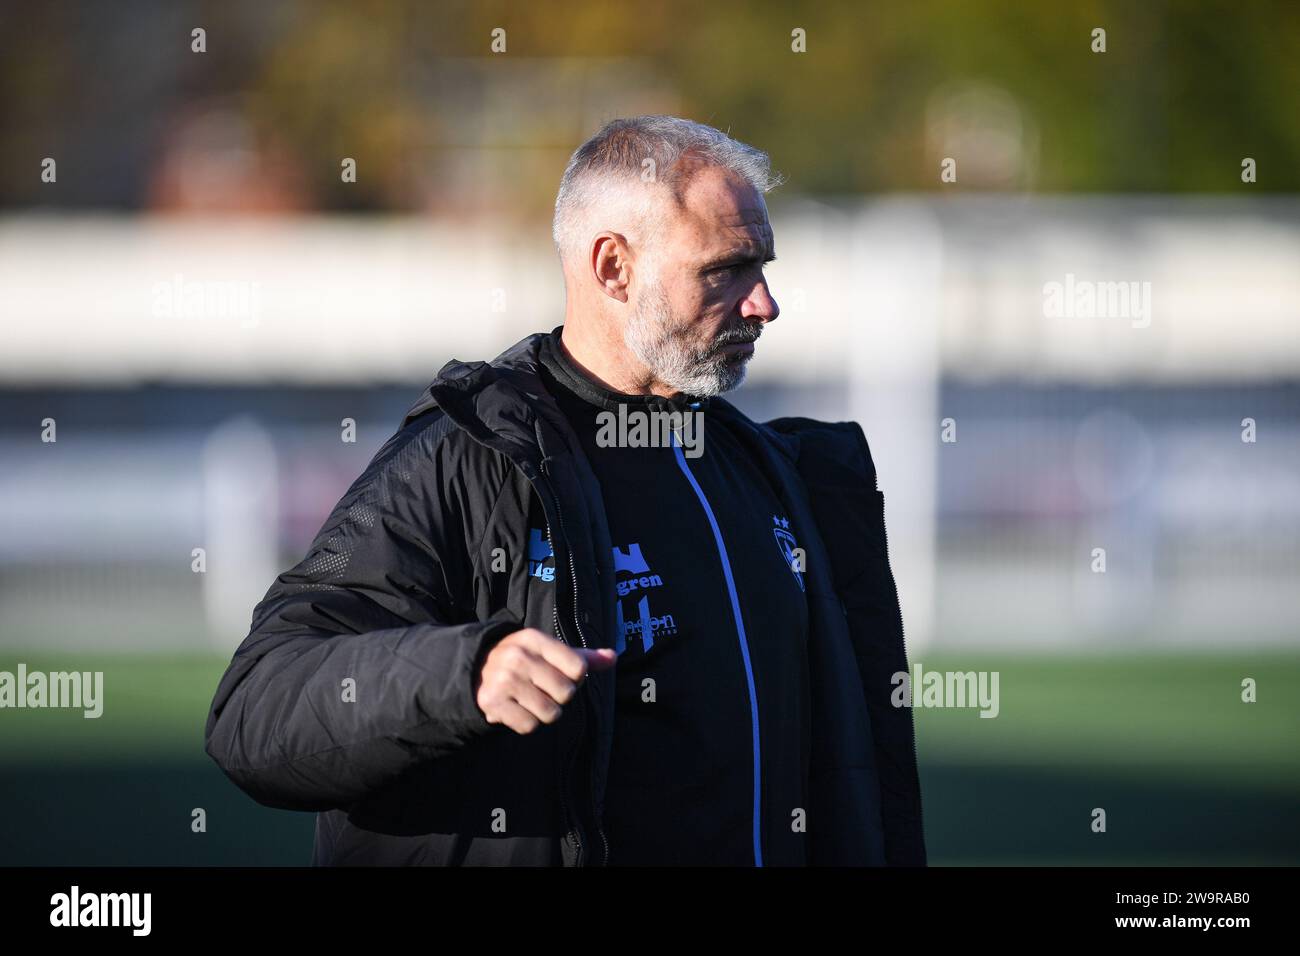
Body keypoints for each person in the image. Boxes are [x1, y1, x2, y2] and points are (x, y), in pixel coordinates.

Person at [203, 115, 925, 867]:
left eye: (763, 267)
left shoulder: (776, 475)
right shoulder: (466, 461)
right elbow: (253, 711)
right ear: (613, 267)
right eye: (725, 270)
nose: (764, 304)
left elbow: (854, 776)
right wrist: (463, 675)